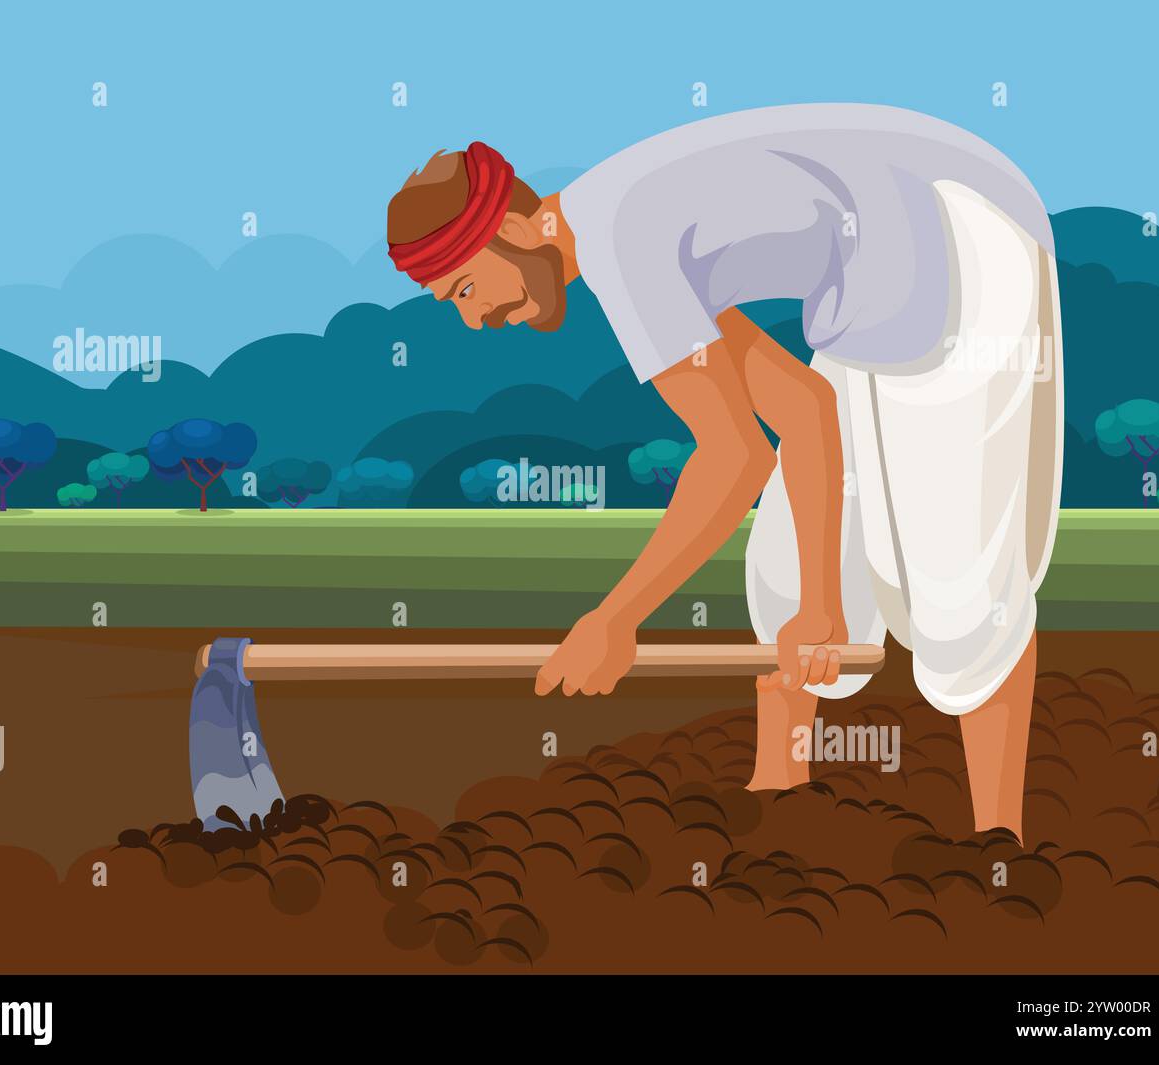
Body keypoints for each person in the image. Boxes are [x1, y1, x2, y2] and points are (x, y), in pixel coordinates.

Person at [385, 104, 1063, 843]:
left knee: (956, 584)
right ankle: (780, 804)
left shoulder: (622, 244)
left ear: (512, 232)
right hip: (872, 277)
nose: (474, 319)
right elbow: (802, 410)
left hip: (963, 237)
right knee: (784, 577)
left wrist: (615, 621)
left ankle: (1004, 855)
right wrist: (817, 602)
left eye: (463, 290)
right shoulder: (621, 228)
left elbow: (734, 457)